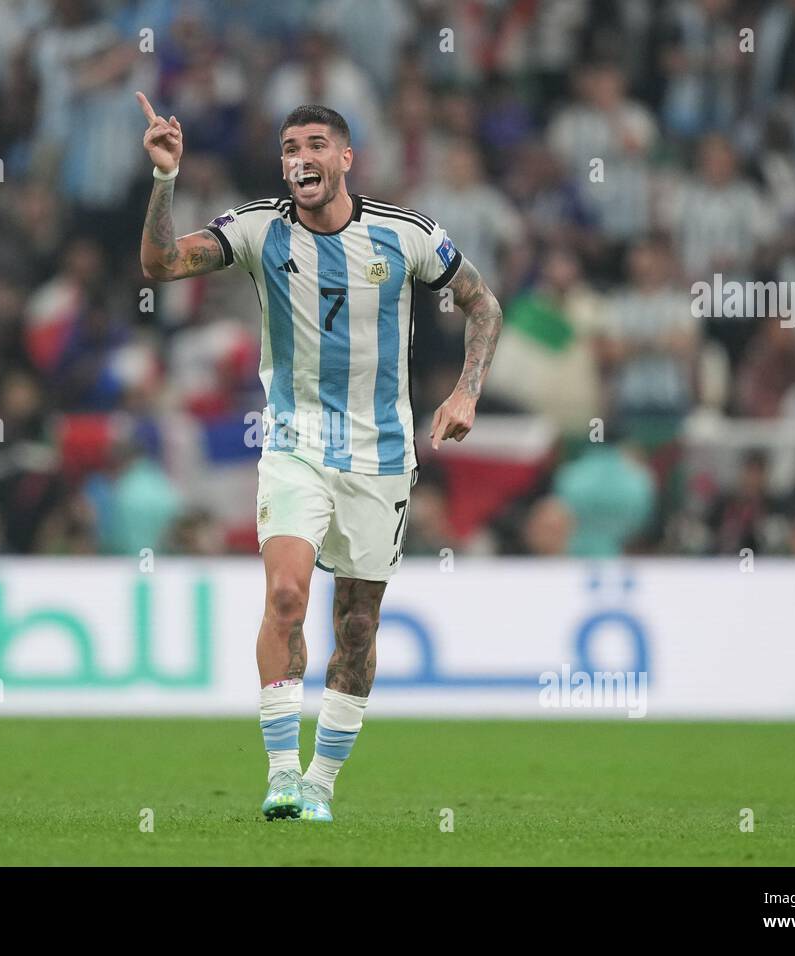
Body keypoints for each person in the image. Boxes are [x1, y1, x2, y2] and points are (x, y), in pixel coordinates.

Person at [136, 92, 502, 822]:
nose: (298, 158)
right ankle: (279, 774)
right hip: (295, 443)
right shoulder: (256, 228)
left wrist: (467, 392)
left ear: (343, 158)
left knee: (357, 626)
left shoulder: (407, 235)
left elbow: (483, 305)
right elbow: (161, 265)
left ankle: (320, 785)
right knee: (285, 597)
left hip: (382, 455)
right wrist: (166, 181)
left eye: (312, 145)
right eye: (287, 148)